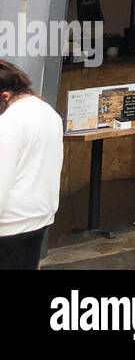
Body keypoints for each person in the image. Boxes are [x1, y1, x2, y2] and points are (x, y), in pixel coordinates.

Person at [0, 61, 63, 270]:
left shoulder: (10, 122)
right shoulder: (48, 113)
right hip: (40, 216)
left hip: (8, 225)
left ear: (5, 96)